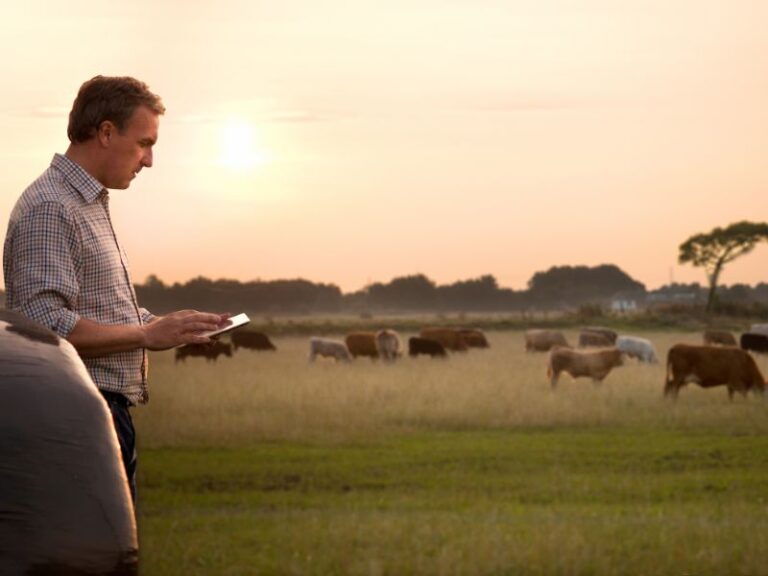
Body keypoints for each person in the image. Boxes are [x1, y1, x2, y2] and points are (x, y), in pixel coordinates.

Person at [2, 75, 229, 501]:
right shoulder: (52, 207)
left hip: (93, 415)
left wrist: (167, 327)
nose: (148, 161)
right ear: (106, 132)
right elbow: (43, 329)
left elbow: (96, 312)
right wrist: (144, 335)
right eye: (145, 143)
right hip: (71, 418)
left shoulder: (84, 203)